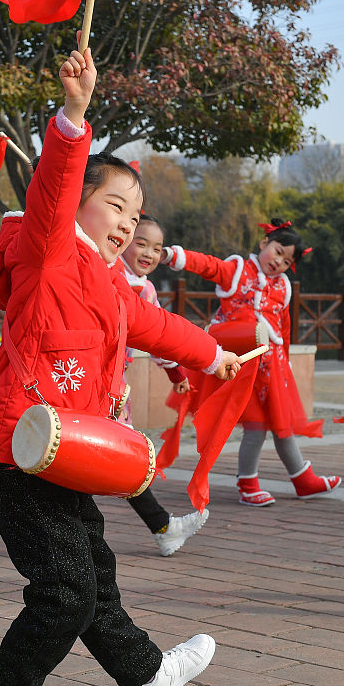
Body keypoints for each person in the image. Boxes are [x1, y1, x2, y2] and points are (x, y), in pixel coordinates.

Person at [0, 44, 241, 686]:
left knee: (94, 578)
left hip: (71, 456)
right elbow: (53, 189)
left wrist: (210, 355)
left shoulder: (115, 286)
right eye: (114, 206)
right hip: (19, 452)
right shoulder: (47, 250)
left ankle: (147, 676)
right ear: (78, 204)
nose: (126, 224)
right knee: (64, 592)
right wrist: (74, 116)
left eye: (133, 214)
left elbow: (157, 325)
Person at [162, 220, 339, 506]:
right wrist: (174, 256)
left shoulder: (282, 286)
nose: (279, 262)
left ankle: (302, 480)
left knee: (282, 425)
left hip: (272, 369)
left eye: (287, 261)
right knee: (257, 427)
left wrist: (287, 362)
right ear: (263, 244)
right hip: (241, 367)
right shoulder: (237, 270)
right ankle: (249, 485)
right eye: (278, 252)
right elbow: (209, 266)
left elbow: (283, 326)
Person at [118, 216, 208, 556]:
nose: (149, 253)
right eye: (141, 243)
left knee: (120, 454)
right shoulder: (106, 271)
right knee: (114, 454)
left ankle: (163, 526)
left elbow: (158, 336)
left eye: (157, 248)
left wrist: (177, 374)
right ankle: (163, 527)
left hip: (113, 381)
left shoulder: (148, 288)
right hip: (89, 376)